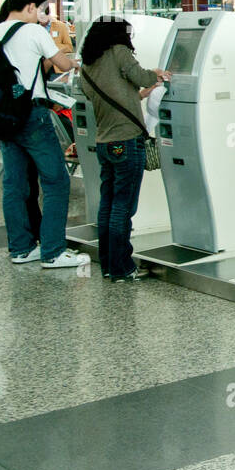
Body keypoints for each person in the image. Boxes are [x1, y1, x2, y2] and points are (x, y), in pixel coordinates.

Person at [0, 0, 87, 270]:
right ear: (30, 6)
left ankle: (21, 248)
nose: (41, 16)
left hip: (5, 118)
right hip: (33, 116)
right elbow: (63, 64)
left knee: (15, 185)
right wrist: (72, 61)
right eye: (41, 10)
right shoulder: (32, 31)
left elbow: (25, 70)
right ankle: (54, 251)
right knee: (56, 181)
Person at [81, 17, 170, 282]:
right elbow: (140, 76)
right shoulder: (118, 52)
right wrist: (156, 74)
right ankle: (123, 267)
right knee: (124, 207)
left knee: (107, 203)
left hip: (105, 143)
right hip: (127, 140)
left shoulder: (87, 65)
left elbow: (110, 95)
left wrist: (140, 94)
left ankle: (108, 264)